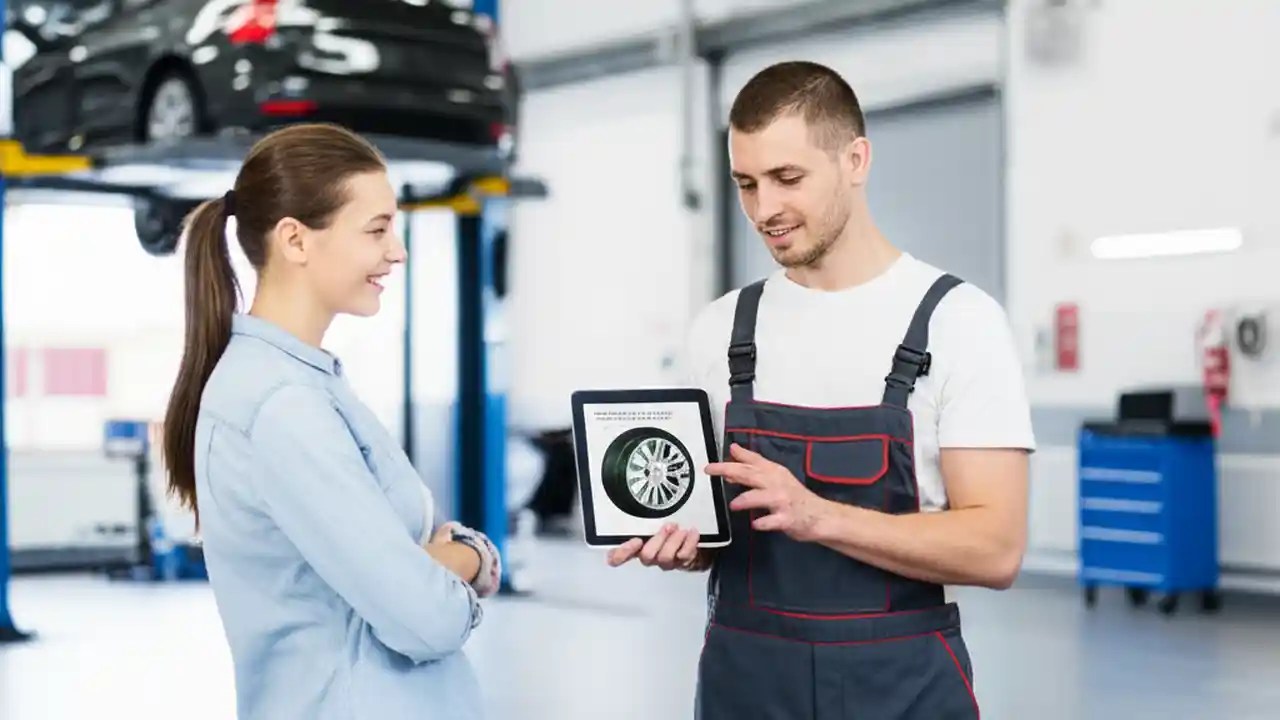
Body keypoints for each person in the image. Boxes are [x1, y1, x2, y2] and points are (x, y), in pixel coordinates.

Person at [608, 61, 1036, 718]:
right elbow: (719, 531)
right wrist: (686, 548)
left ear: (855, 159)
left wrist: (819, 516)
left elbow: (996, 547)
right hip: (745, 679)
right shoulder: (720, 330)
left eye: (787, 179)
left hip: (901, 685)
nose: (763, 210)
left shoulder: (958, 321)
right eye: (746, 184)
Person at [160, 123, 502, 720]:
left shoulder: (299, 382)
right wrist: (473, 555)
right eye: (377, 230)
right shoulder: (281, 405)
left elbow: (398, 584)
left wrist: (425, 564)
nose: (397, 251)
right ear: (295, 240)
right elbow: (427, 618)